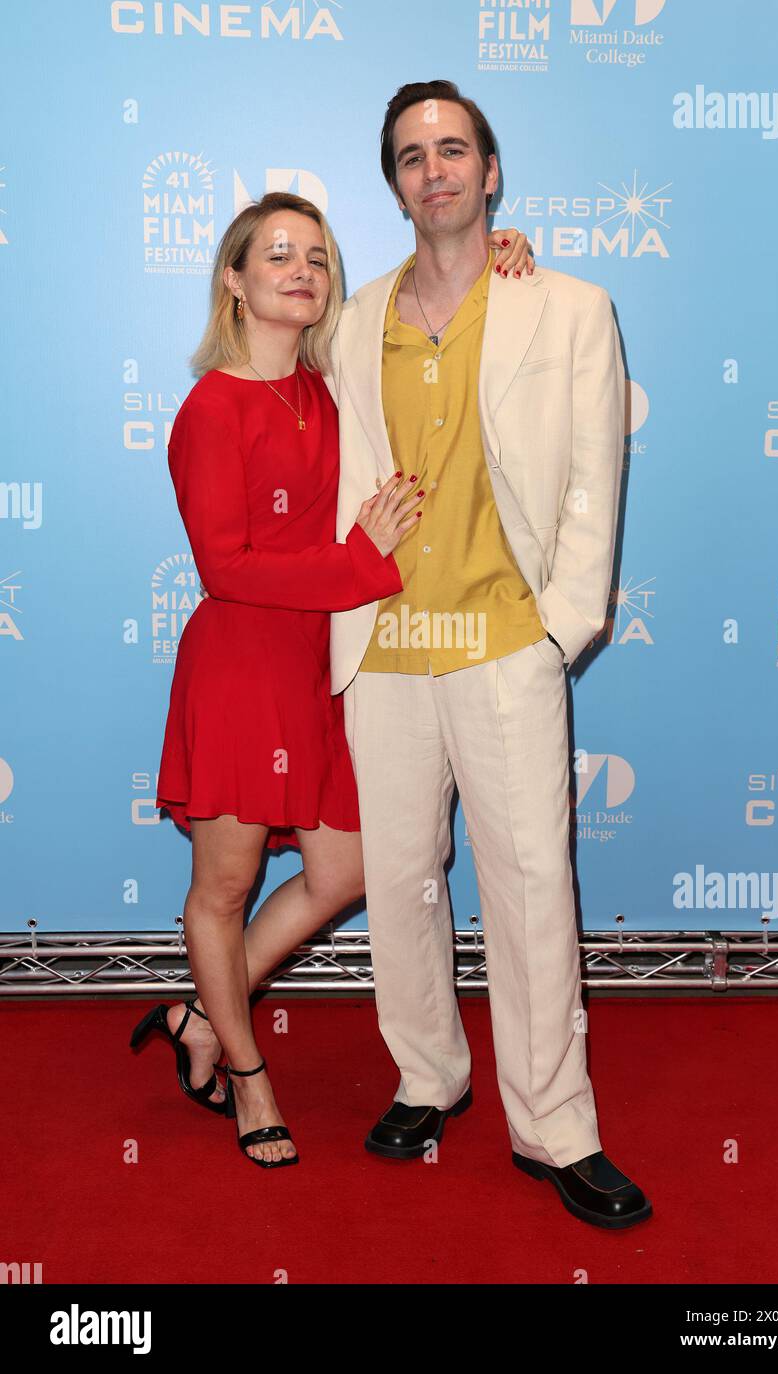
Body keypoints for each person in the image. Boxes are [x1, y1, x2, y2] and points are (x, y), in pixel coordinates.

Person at [131, 190, 533, 1169]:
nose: (301, 269)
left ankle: (195, 1014)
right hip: (240, 669)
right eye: (275, 255)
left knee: (346, 870)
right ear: (233, 279)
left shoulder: (332, 385)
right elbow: (227, 568)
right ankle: (247, 1067)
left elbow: (429, 308)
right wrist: (362, 563)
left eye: (315, 255)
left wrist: (498, 259)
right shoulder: (208, 408)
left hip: (321, 666)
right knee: (221, 888)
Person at [327, 81, 652, 1228]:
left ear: (491, 169)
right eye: (412, 156)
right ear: (396, 183)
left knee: (528, 888)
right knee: (404, 885)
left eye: (453, 149)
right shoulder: (350, 318)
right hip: (387, 647)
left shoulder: (566, 302)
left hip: (505, 642)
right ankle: (429, 1075)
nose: (435, 170)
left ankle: (555, 1125)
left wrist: (560, 625)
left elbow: (587, 489)